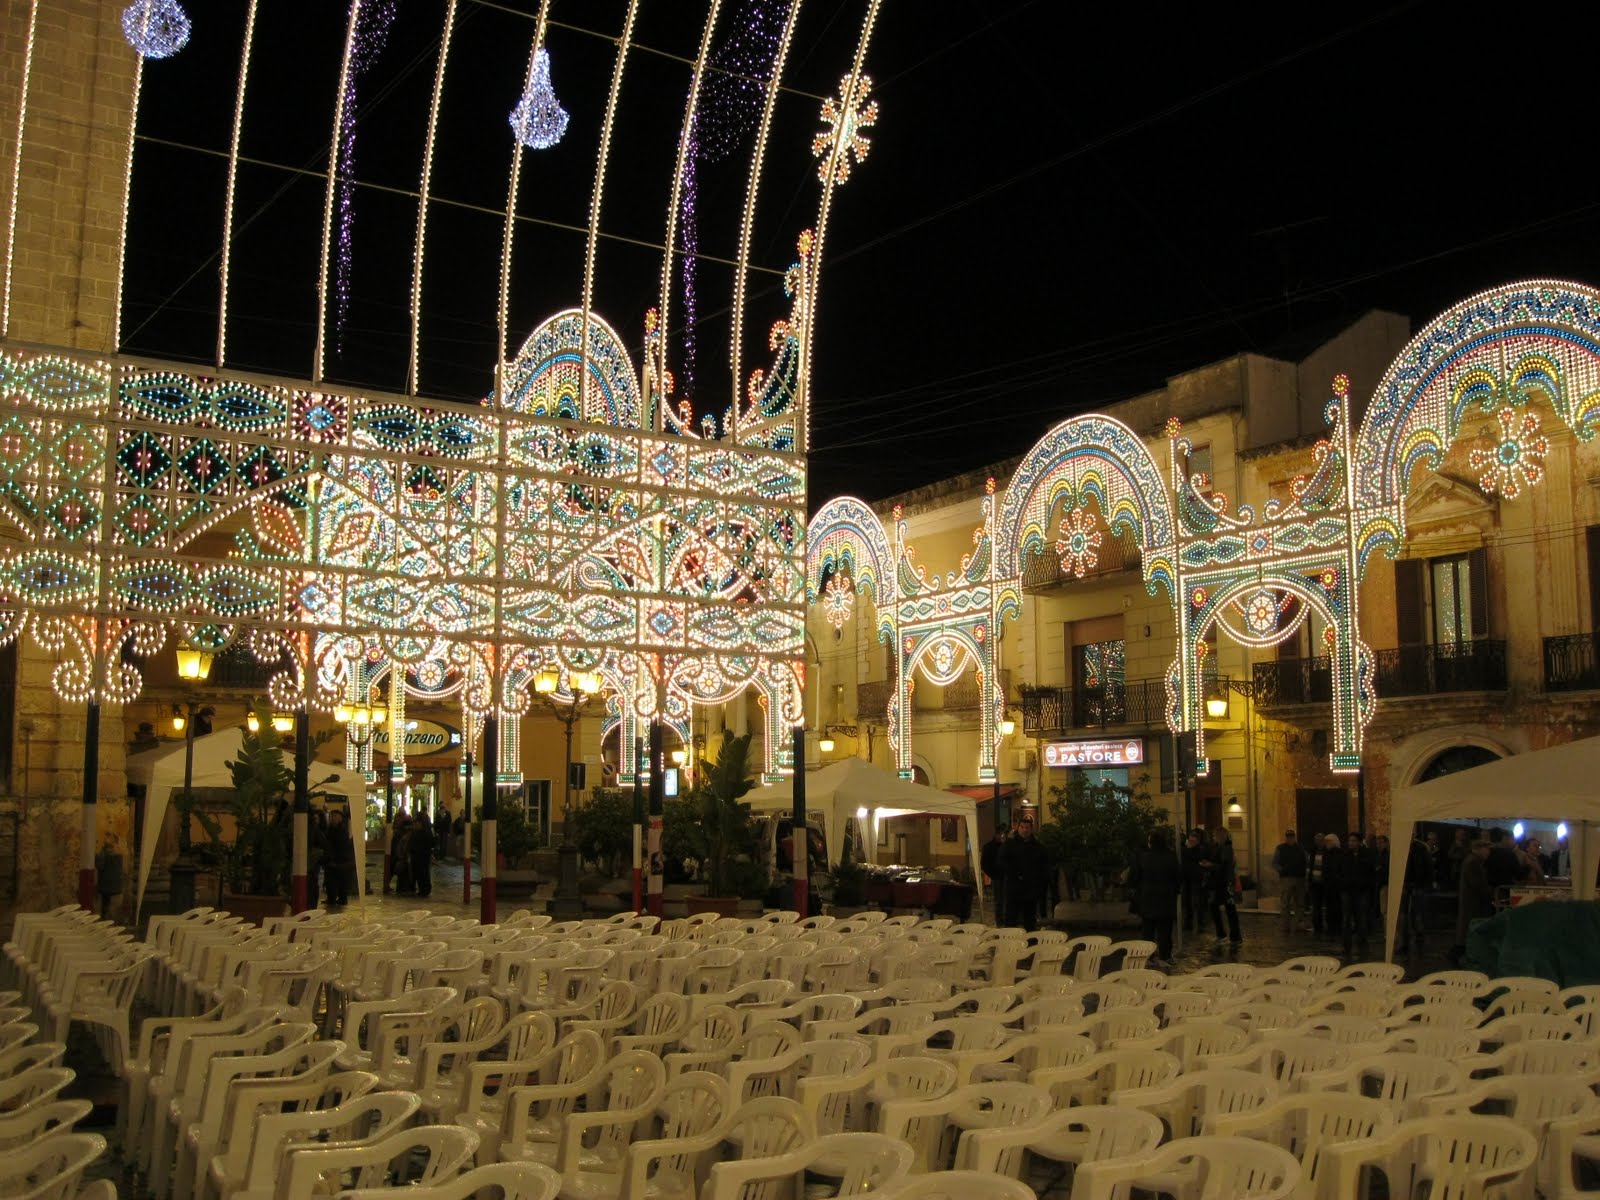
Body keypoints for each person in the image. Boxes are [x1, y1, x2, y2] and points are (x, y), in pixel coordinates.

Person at [1130, 829, 1182, 967]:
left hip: (1147, 899)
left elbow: (1136, 877)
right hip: (1166, 899)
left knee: (1148, 931)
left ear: (1151, 843)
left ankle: (1149, 956)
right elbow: (1177, 877)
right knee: (1165, 931)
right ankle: (1165, 956)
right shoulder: (1171, 857)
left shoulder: (1143, 857)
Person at [1000, 818, 1050, 931]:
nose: (1024, 830)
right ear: (1018, 828)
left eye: (1027, 828)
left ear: (1031, 829)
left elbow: (1044, 868)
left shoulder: (1038, 847)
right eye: (1022, 827)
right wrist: (1014, 874)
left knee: (1030, 921)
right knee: (1011, 920)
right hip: (1014, 889)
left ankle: (1030, 944)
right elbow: (1002, 862)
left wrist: (1039, 886)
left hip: (1030, 890)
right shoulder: (1009, 845)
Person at [1451, 838, 1494, 967]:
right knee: (1467, 930)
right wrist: (1489, 892)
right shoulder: (1473, 862)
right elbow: (1477, 884)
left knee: (1466, 930)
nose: (1488, 852)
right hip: (1473, 903)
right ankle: (1456, 955)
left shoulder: (1474, 861)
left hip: (1472, 902)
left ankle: (1458, 954)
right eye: (1486, 849)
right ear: (1478, 849)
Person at [1334, 830, 1378, 955]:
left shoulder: (1367, 855)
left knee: (1361, 917)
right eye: (1350, 841)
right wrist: (1343, 883)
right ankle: (1346, 943)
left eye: (1354, 841)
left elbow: (1371, 873)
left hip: (1362, 891)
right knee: (1346, 918)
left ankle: (1362, 941)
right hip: (1347, 890)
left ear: (1359, 842)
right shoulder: (1345, 855)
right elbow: (1338, 871)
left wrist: (1366, 884)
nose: (1351, 843)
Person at [1201, 828, 1241, 946]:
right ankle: (1228, 935)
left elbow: (1224, 867)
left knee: (1228, 910)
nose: (1213, 837)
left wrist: (1210, 865)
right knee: (1224, 909)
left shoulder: (1226, 849)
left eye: (1214, 835)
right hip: (1220, 883)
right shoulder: (1220, 848)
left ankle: (1230, 936)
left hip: (1223, 884)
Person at [1396, 830, 1433, 955]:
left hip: (1418, 884)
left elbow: (1427, 867)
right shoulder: (1401, 848)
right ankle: (1404, 941)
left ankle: (1418, 937)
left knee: (1416, 913)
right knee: (1404, 914)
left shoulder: (1421, 848)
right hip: (1406, 884)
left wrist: (1425, 883)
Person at [1270, 829, 1308, 934]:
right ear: (1285, 837)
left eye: (1292, 836)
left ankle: (1299, 924)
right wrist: (1282, 870)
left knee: (1299, 902)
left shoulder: (1300, 848)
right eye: (1288, 836)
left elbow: (1306, 860)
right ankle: (1285, 925)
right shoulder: (1280, 848)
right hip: (1286, 879)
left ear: (1294, 837)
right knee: (1285, 903)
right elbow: (1274, 863)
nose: (1290, 838)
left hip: (1299, 878)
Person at [324, 808, 353, 907]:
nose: (332, 819)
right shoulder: (331, 829)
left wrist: (338, 861)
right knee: (332, 881)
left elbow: (341, 846)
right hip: (333, 859)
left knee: (340, 881)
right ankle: (332, 898)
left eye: (334, 817)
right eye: (331, 817)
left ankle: (341, 898)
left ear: (340, 818)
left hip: (340, 860)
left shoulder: (341, 830)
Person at [981, 823, 1009, 925]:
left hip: (1008, 877)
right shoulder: (989, 847)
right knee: (999, 901)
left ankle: (1007, 920)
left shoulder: (1007, 846)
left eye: (1003, 834)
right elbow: (984, 864)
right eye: (1000, 834)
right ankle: (1000, 921)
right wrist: (993, 874)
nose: (1002, 836)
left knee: (1007, 900)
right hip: (998, 877)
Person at [1180, 831, 1206, 933]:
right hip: (1186, 878)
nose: (1191, 842)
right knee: (1187, 901)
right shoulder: (1184, 849)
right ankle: (1188, 921)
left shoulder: (1200, 849)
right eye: (1190, 840)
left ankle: (1199, 921)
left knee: (1197, 900)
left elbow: (1197, 858)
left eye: (1193, 841)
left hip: (1196, 878)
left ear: (1197, 841)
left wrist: (1190, 849)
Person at [408, 812, 434, 898]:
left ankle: (424, 889)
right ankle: (422, 889)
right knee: (420, 873)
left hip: (422, 856)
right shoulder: (417, 832)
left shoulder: (423, 833)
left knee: (423, 873)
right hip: (419, 856)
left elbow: (429, 843)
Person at [1307, 833, 1327, 936]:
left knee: (1326, 905)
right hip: (1314, 883)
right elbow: (1309, 866)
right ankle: (1317, 926)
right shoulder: (1312, 852)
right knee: (1315, 906)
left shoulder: (1327, 852)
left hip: (1324, 883)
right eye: (1317, 840)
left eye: (1321, 840)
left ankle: (1326, 925)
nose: (1319, 842)